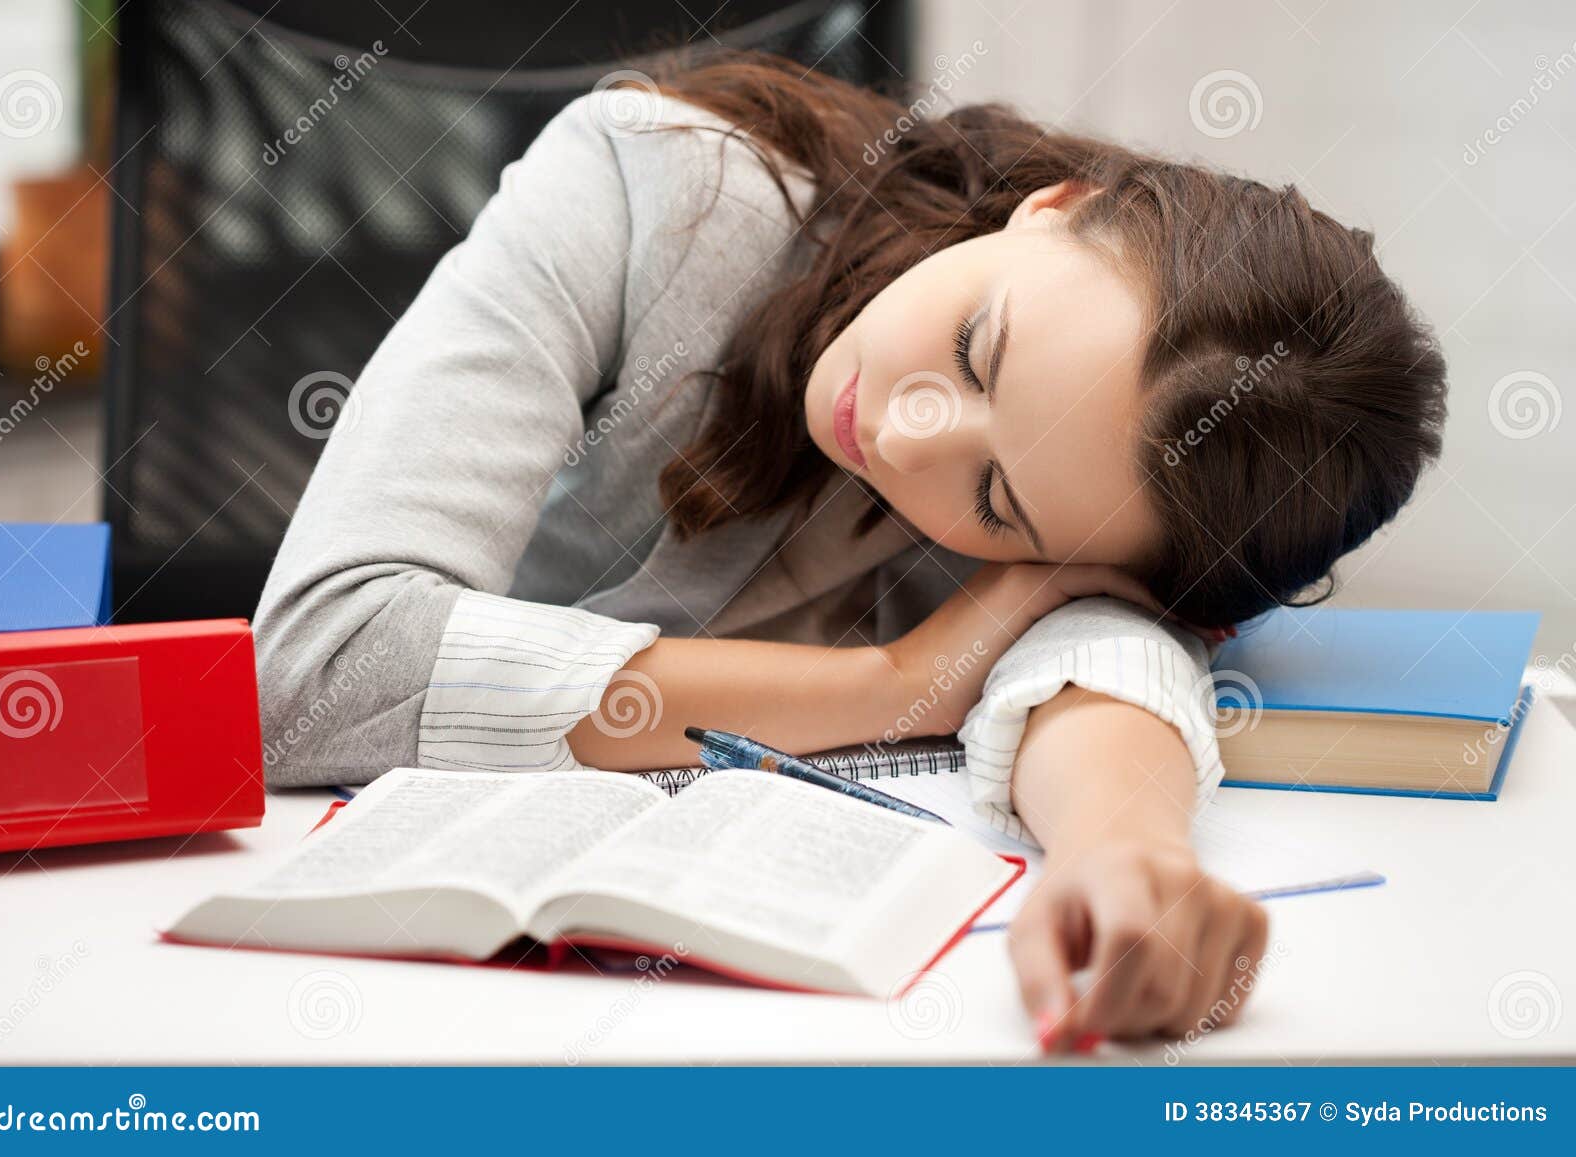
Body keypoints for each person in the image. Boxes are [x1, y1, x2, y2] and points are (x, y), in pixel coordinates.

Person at [252, 54, 1447, 1049]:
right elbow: (313, 669)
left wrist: (1117, 851)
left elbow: (1103, 654)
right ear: (1054, 208)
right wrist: (889, 685)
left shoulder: (1100, 500)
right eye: (979, 349)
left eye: (993, 495)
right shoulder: (648, 183)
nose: (904, 427)